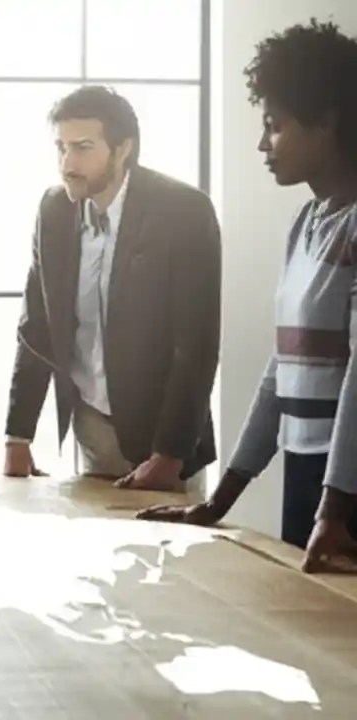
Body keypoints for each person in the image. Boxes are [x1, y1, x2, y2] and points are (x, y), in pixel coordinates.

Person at [140, 20, 357, 572]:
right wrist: (219, 500)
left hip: (346, 489)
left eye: (275, 126)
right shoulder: (307, 221)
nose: (263, 144)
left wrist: (336, 508)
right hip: (310, 474)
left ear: (327, 121)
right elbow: (281, 369)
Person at [3, 85, 222, 492]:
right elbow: (37, 325)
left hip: (166, 439)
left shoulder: (184, 210)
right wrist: (18, 436)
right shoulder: (53, 210)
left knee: (176, 553)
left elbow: (197, 345)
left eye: (83, 147)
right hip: (93, 431)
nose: (68, 163)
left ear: (123, 149)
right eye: (61, 148)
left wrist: (169, 453)